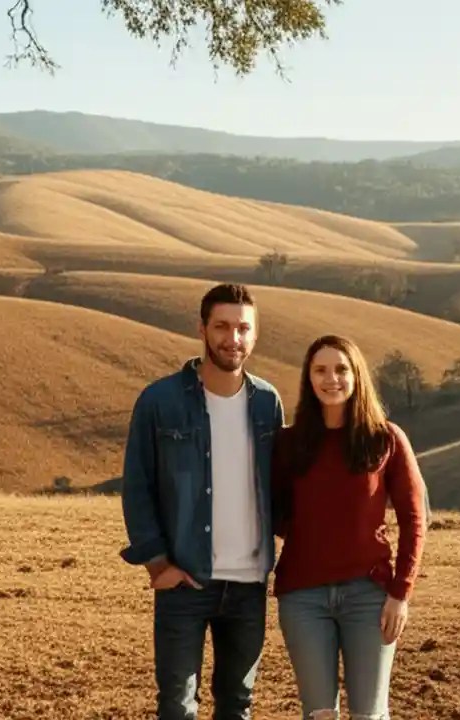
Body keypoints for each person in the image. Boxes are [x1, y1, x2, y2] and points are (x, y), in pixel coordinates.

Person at [119, 282, 285, 720]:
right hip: (185, 580)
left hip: (249, 586)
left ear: (255, 334)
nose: (233, 338)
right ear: (202, 329)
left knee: (238, 705)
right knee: (176, 706)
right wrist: (157, 563)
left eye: (243, 328)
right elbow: (138, 487)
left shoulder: (268, 402)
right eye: (222, 326)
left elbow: (280, 487)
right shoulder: (160, 401)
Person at [271, 334, 427, 720]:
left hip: (369, 597)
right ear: (308, 378)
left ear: (357, 375)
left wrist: (400, 592)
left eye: (341, 369)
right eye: (320, 370)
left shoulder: (386, 438)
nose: (331, 379)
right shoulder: (289, 443)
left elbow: (414, 519)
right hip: (303, 598)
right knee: (319, 713)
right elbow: (272, 511)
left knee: (369, 714)